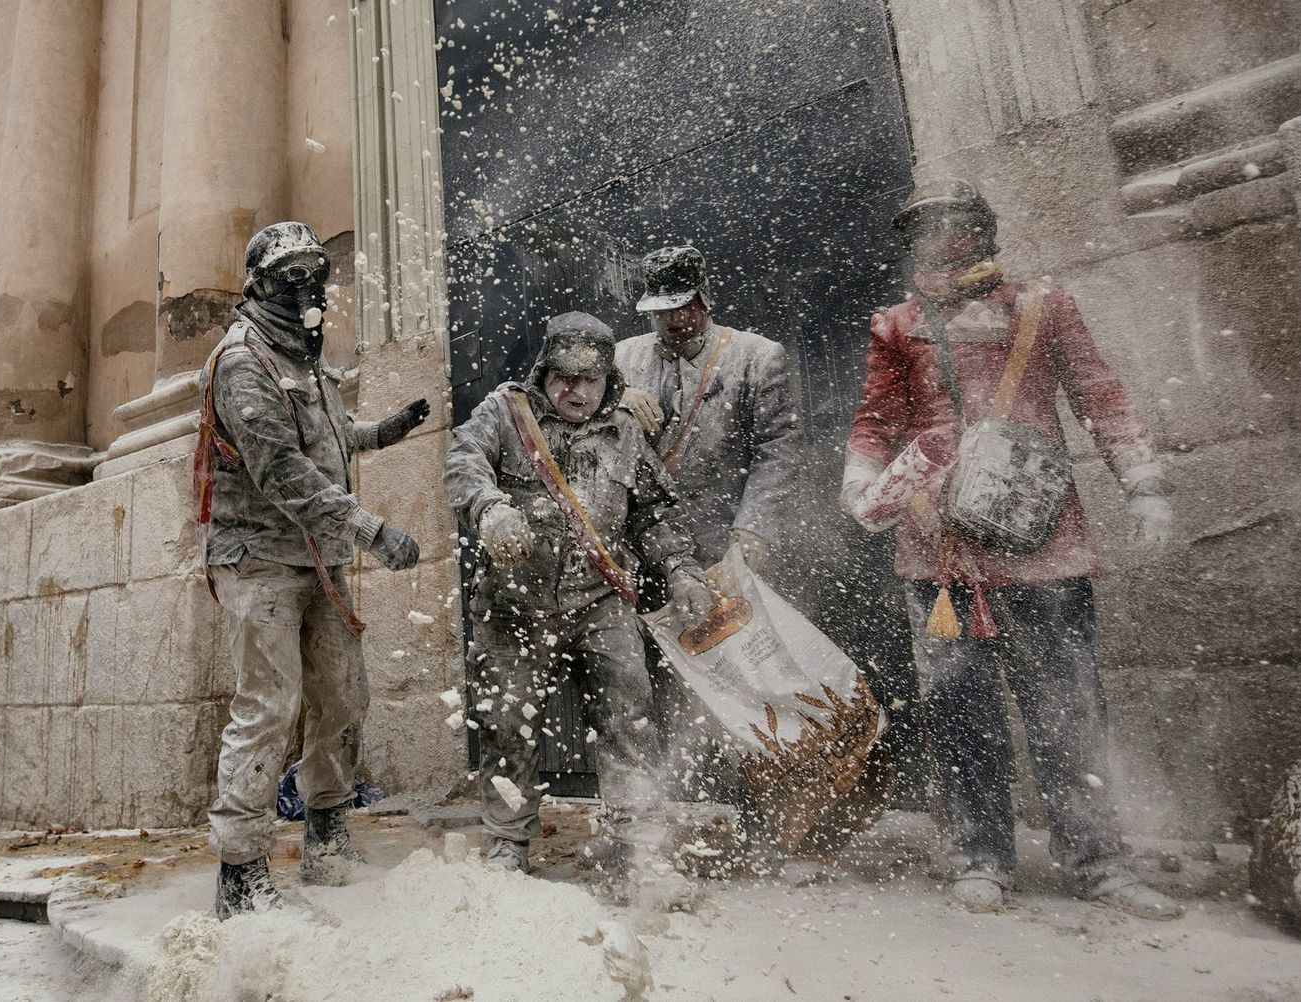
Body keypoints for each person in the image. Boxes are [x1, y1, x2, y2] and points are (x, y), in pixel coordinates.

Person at [841, 180, 1182, 920]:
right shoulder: (896, 326)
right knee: (960, 710)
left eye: (956, 226)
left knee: (1069, 708)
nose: (943, 240)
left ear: (982, 230)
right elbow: (877, 421)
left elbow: (1101, 396)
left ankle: (1099, 860)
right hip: (942, 551)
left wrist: (1143, 483)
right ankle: (978, 856)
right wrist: (862, 476)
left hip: (1042, 540)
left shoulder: (1041, 306)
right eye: (927, 231)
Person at [195, 221, 429, 919]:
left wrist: (384, 431)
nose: (307, 288)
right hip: (260, 560)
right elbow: (281, 469)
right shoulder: (243, 361)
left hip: (317, 557)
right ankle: (240, 874)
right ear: (260, 285)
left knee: (343, 696)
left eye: (314, 273)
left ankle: (327, 837)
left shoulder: (304, 355)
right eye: (290, 276)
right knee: (269, 708)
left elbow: (327, 435)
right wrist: (369, 527)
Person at [442, 311, 712, 893]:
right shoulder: (506, 413)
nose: (575, 391)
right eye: (563, 377)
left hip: (600, 597)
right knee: (506, 718)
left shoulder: (625, 429)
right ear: (544, 372)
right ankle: (508, 844)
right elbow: (462, 462)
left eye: (589, 380)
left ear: (607, 379)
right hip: (515, 601)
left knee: (628, 710)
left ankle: (635, 844)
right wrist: (490, 508)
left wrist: (684, 571)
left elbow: (655, 515)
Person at [615, 245, 802, 570]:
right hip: (644, 549)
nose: (673, 318)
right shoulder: (620, 359)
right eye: (662, 310)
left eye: (683, 306)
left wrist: (755, 525)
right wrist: (617, 396)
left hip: (724, 545)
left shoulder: (757, 357)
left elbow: (779, 449)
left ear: (704, 298)